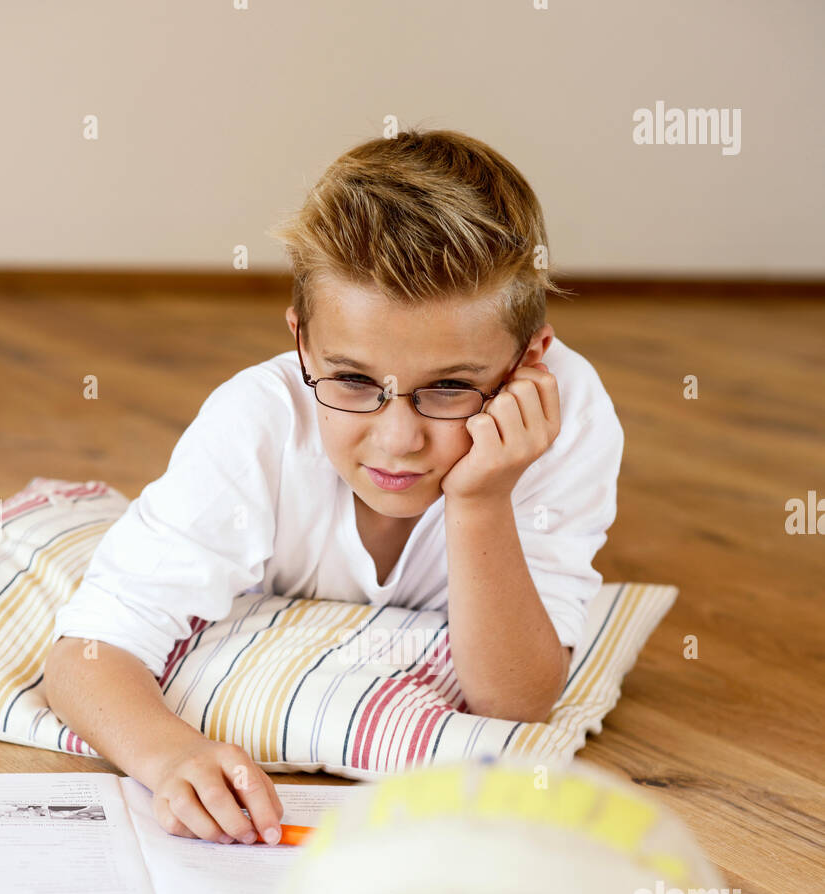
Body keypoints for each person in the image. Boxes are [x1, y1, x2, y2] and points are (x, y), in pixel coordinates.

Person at [43, 127, 623, 848]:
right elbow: (85, 655)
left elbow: (514, 700)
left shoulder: (567, 415)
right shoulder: (256, 421)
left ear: (530, 361)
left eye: (448, 388)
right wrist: (170, 755)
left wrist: (481, 501)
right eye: (352, 381)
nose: (397, 440)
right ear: (299, 342)